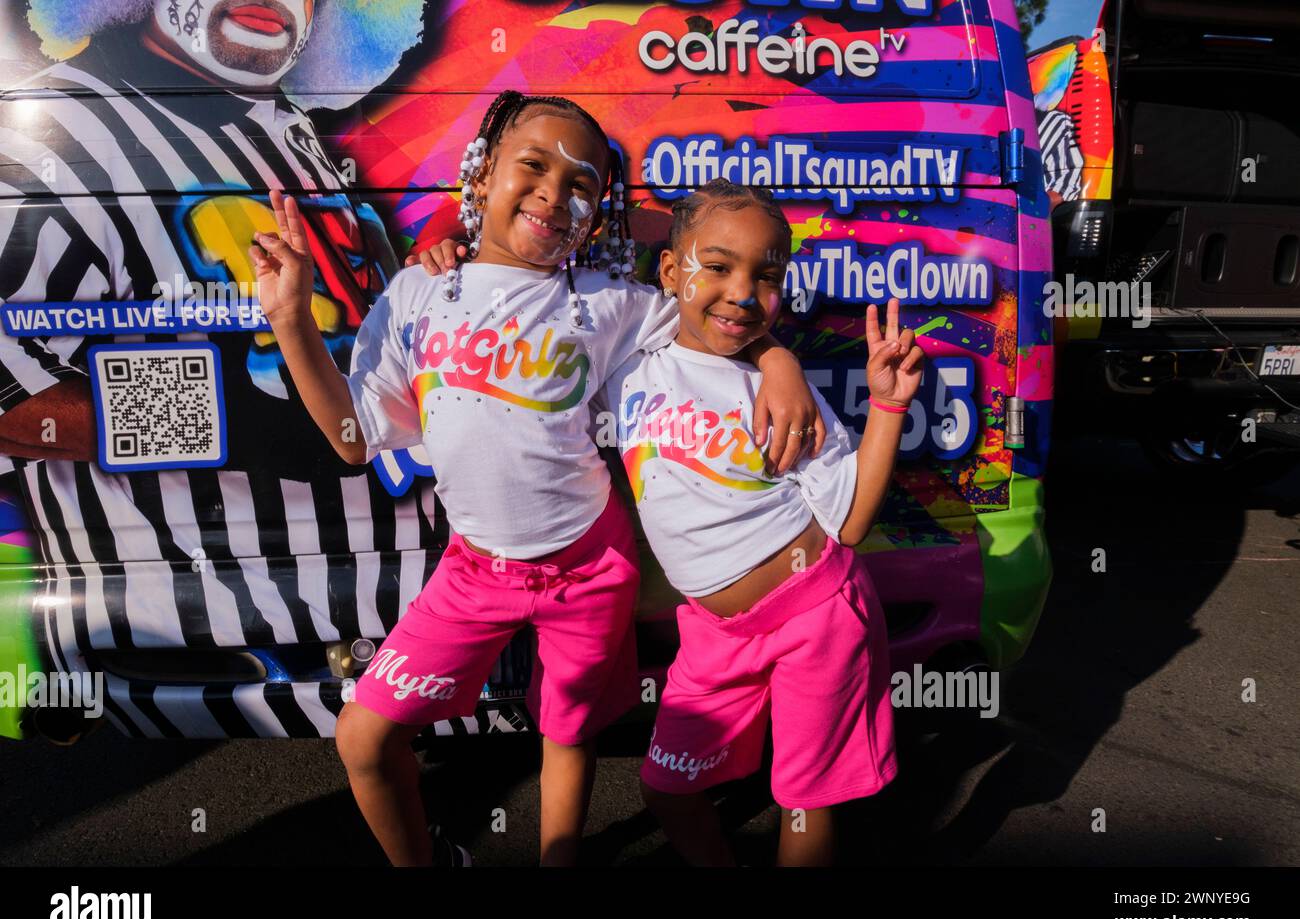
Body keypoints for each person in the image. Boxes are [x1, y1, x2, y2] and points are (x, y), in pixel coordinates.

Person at [250, 92, 825, 866]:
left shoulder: (609, 305)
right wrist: (291, 320)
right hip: (473, 573)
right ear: (483, 174)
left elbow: (718, 304)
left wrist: (779, 359)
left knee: (567, 732)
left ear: (597, 216)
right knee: (363, 737)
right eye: (533, 166)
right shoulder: (419, 294)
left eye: (581, 184)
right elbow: (354, 442)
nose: (555, 193)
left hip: (591, 569)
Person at [0, 0, 423, 737]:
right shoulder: (46, 136)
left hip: (386, 622)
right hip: (194, 640)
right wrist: (233, 422)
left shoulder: (283, 127)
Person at [611, 180, 920, 866]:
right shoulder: (626, 354)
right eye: (718, 266)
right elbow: (603, 228)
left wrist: (888, 406)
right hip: (714, 636)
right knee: (667, 789)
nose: (744, 293)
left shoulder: (783, 394)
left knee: (804, 802)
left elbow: (849, 523)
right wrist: (446, 244)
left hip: (819, 618)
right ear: (672, 270)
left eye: (767, 276)